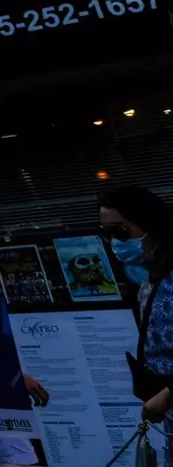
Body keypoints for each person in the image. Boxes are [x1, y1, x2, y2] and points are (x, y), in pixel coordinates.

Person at [100, 185, 173, 446]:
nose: (115, 242)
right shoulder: (150, 281)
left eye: (120, 231)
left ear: (149, 224)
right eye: (107, 233)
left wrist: (169, 394)